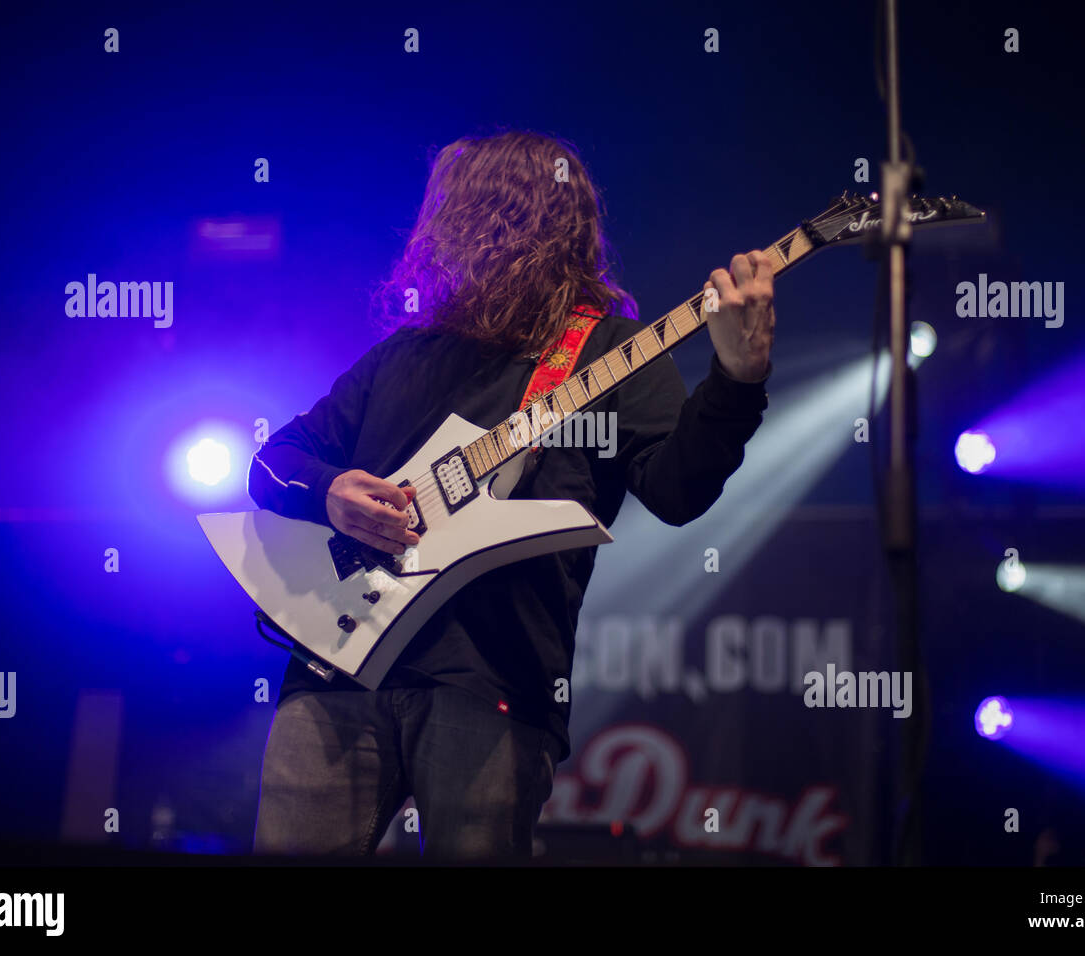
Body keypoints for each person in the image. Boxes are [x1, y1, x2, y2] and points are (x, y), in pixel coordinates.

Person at [247, 129, 775, 859]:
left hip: (493, 677)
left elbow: (677, 492)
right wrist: (332, 490)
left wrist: (737, 382)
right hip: (335, 669)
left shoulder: (610, 356)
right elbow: (274, 462)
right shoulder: (404, 355)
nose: (444, 233)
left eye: (461, 211)